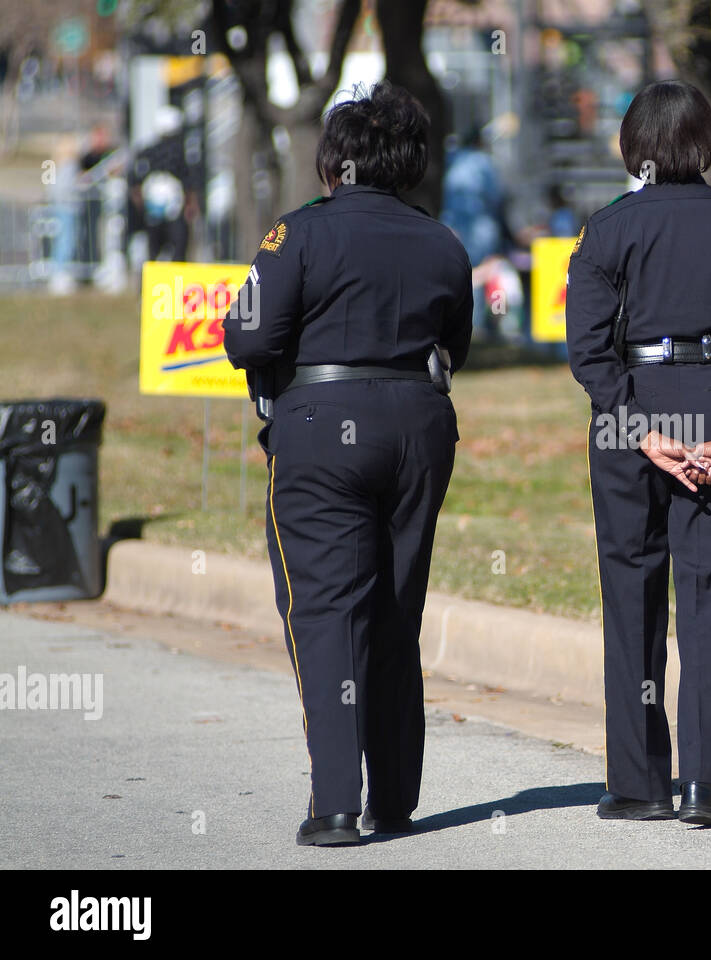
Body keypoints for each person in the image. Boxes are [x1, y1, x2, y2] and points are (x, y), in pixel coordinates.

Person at [221, 82, 473, 846]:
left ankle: (336, 803)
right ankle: (394, 798)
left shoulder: (297, 234)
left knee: (327, 611)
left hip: (322, 427)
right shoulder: (443, 241)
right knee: (397, 608)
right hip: (419, 426)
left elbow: (247, 340)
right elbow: (456, 343)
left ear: (335, 165)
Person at [566, 80, 711, 827]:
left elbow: (588, 351)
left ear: (633, 146)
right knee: (708, 601)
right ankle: (706, 784)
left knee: (630, 596)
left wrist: (639, 429)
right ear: (710, 145)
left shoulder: (606, 228)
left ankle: (637, 785)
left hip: (627, 424)